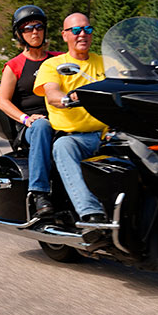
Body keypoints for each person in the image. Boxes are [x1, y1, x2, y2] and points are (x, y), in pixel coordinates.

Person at [35, 12, 109, 225]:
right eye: (76, 30)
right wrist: (67, 99)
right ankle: (91, 216)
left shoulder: (106, 63)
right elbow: (52, 93)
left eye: (87, 29)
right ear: (65, 35)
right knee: (63, 147)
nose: (82, 34)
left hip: (109, 134)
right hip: (76, 138)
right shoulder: (53, 65)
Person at [0, 5, 63, 218]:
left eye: (38, 27)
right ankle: (39, 193)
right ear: (20, 34)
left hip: (63, 118)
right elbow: (2, 101)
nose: (34, 32)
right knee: (42, 125)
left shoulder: (58, 60)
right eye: (27, 29)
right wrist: (26, 119)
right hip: (32, 126)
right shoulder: (14, 65)